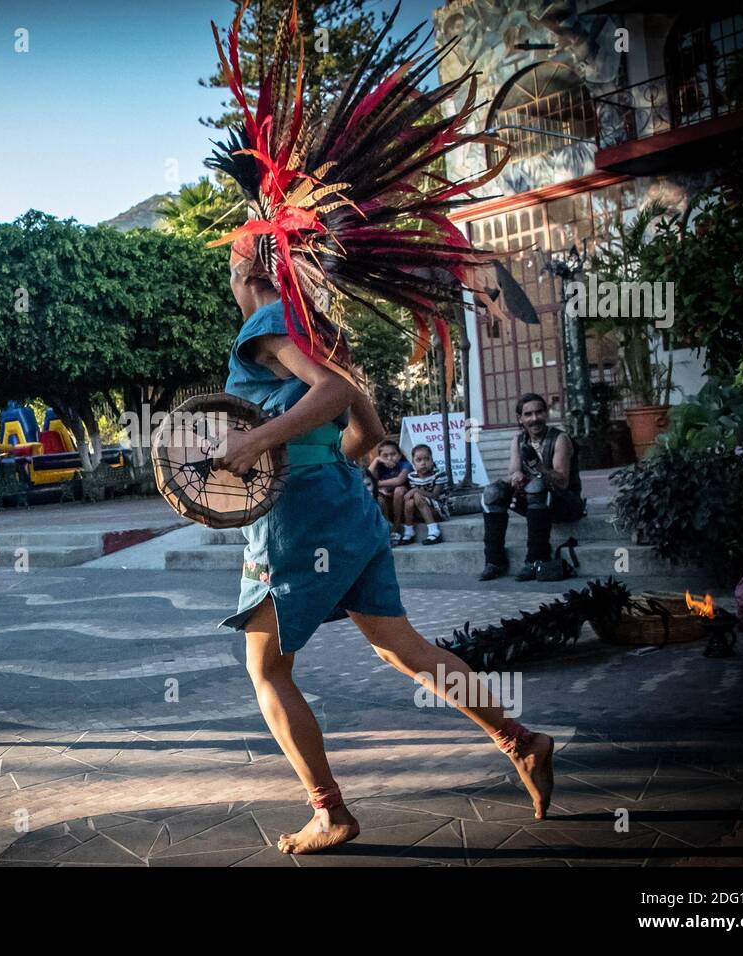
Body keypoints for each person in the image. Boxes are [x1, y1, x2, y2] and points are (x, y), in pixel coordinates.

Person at [204, 4, 554, 855]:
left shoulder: (267, 326)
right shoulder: (309, 327)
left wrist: (253, 444)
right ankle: (521, 742)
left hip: (303, 515)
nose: (226, 260)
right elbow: (364, 428)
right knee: (402, 647)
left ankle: (330, 810)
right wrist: (330, 458)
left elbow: (326, 399)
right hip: (348, 506)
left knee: (266, 668)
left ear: (251, 262)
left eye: (231, 251)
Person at [480, 393, 586, 581]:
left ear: (546, 414)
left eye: (539, 412)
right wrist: (516, 476)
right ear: (520, 419)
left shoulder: (560, 438)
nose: (534, 418)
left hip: (566, 503)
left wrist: (539, 468)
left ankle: (536, 559)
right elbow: (513, 471)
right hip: (536, 503)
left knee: (536, 486)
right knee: (493, 493)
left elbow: (562, 481)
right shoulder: (518, 440)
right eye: (528, 414)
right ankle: (494, 562)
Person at [401, 444, 448, 545]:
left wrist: (415, 491)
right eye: (419, 460)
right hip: (422, 509)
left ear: (432, 460)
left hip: (439, 510)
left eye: (427, 459)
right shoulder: (412, 476)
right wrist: (415, 492)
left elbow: (435, 495)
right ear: (413, 462)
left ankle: (434, 531)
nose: (423, 463)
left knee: (416, 495)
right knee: (409, 502)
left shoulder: (439, 474)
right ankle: (409, 531)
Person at [367, 439, 411, 543]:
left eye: (393, 454)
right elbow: (366, 476)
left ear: (399, 455)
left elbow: (399, 480)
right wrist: (376, 460)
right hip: (387, 501)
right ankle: (386, 528)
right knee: (378, 497)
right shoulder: (380, 467)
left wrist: (377, 484)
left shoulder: (405, 465)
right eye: (385, 456)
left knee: (399, 490)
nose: (390, 458)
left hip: (403, 499)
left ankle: (397, 525)